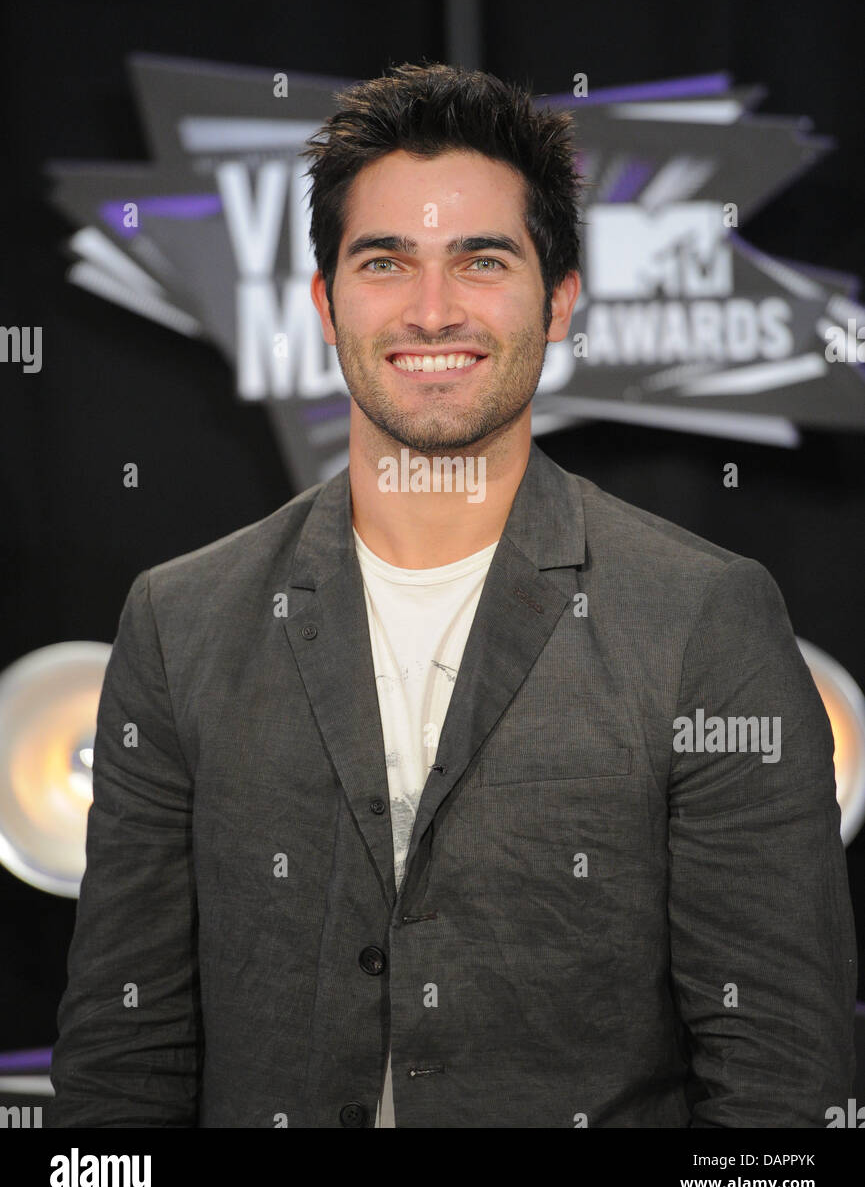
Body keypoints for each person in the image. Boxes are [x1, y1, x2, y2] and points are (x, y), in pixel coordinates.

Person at [49, 60, 857, 1128]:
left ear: (560, 299)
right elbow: (121, 1061)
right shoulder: (180, 619)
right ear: (324, 304)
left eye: (481, 259)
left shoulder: (704, 616)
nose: (433, 311)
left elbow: (780, 1087)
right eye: (386, 261)